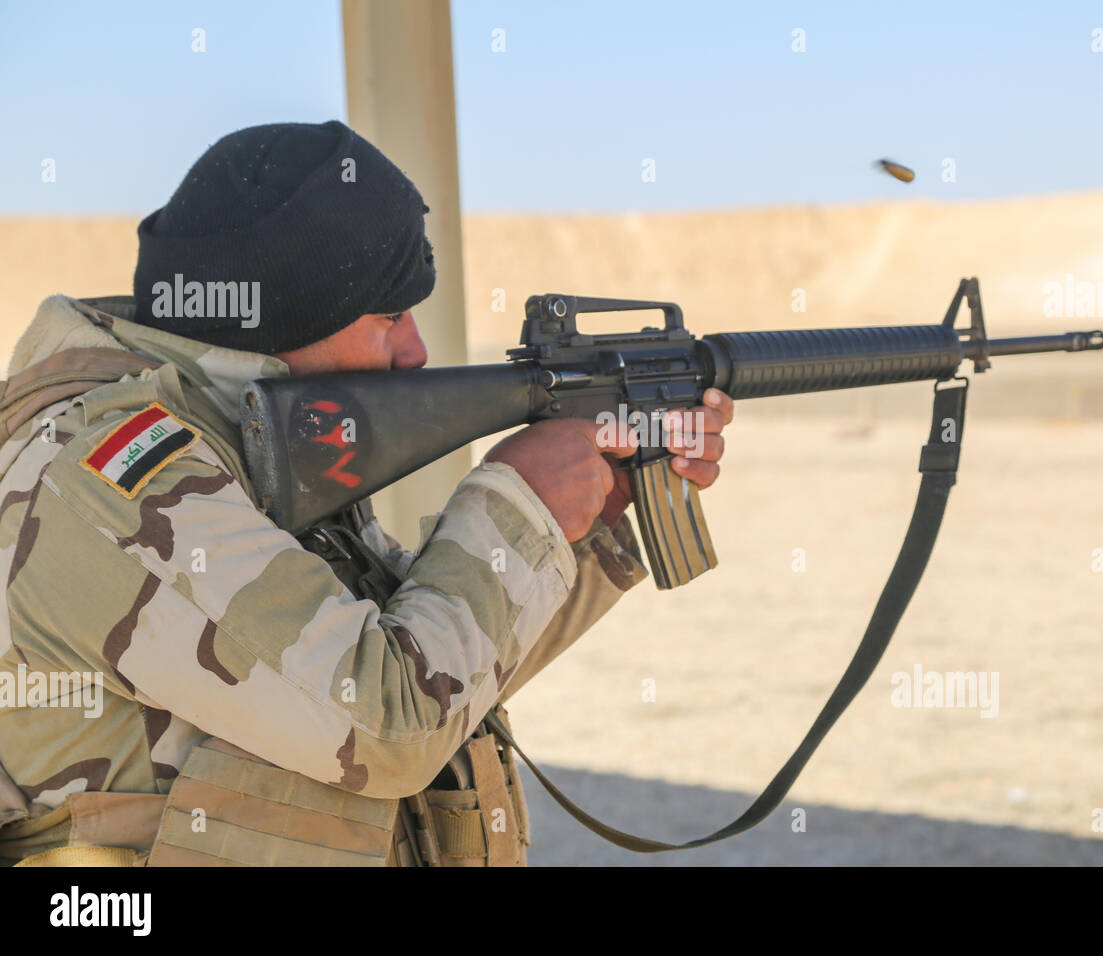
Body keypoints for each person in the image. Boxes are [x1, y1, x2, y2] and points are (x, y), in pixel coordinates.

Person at [0, 120, 732, 866]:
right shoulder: (110, 476)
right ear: (289, 313)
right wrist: (520, 504)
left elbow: (437, 674)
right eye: (389, 315)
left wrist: (587, 519)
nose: (414, 350)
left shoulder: (238, 440)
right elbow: (389, 726)